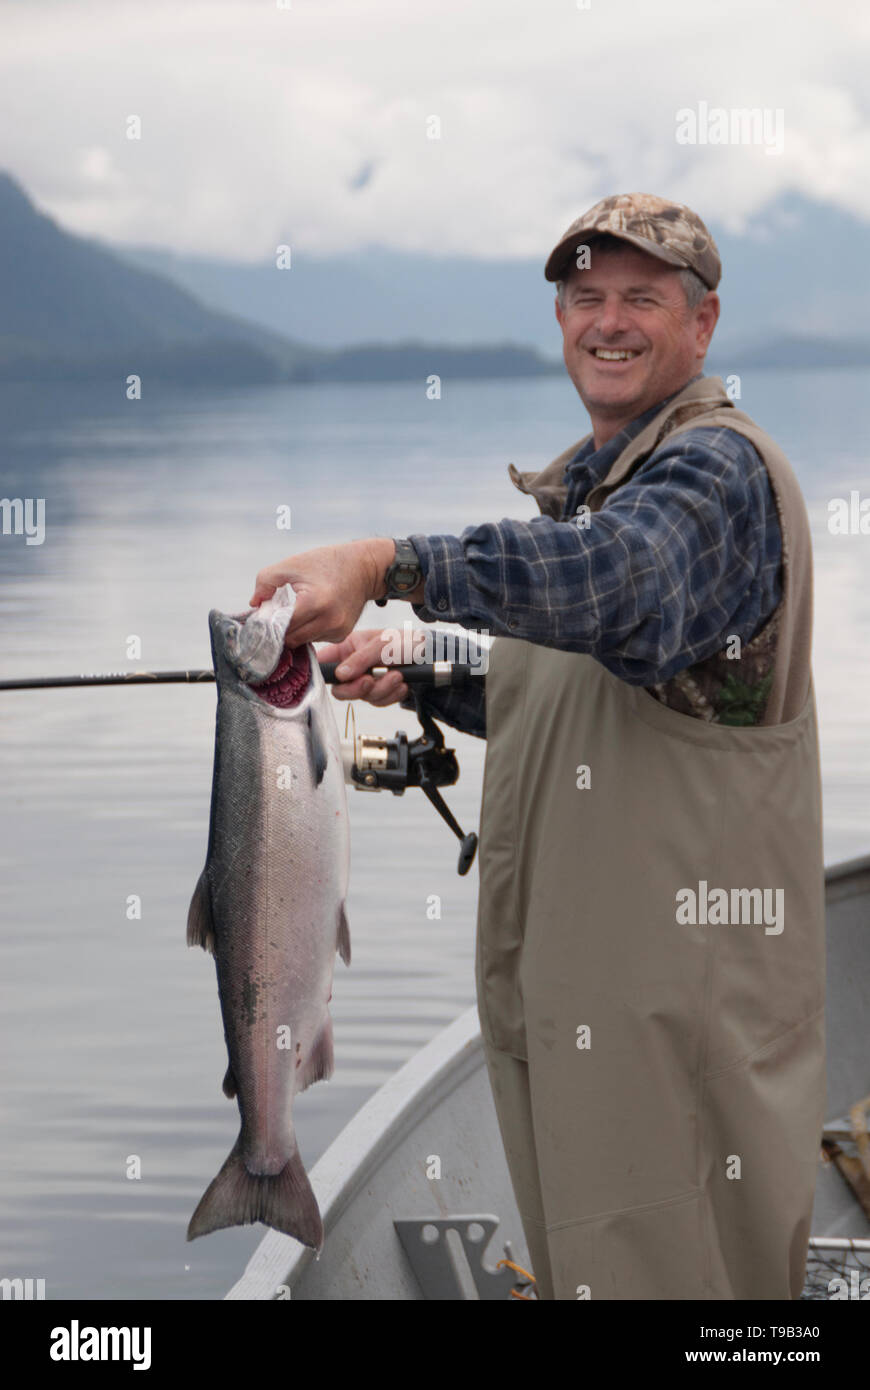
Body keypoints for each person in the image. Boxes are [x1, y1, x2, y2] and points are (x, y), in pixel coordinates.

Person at [250, 193, 826, 1301]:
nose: (608, 322)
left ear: (702, 324)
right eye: (586, 296)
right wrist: (433, 675)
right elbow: (605, 692)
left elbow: (624, 586)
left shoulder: (717, 475)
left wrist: (386, 565)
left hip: (684, 1033)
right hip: (572, 1016)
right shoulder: (600, 494)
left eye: (641, 298)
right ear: (560, 318)